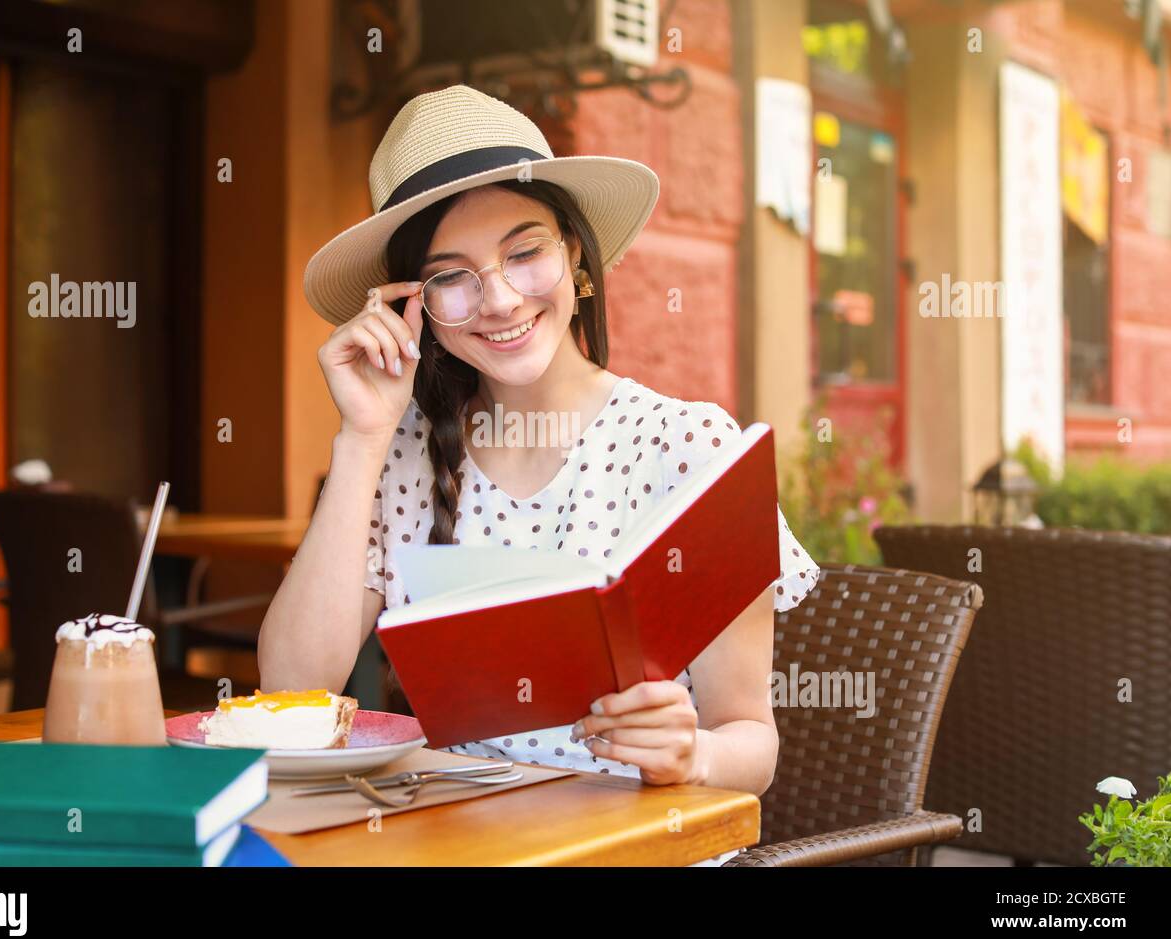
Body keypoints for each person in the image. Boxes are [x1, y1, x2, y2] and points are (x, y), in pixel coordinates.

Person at [260, 85, 819, 866]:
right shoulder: (403, 453)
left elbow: (752, 744)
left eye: (525, 253)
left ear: (576, 256)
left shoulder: (688, 445)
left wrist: (689, 755)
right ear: (408, 307)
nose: (498, 300)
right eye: (451, 277)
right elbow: (293, 684)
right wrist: (362, 435)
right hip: (462, 850)